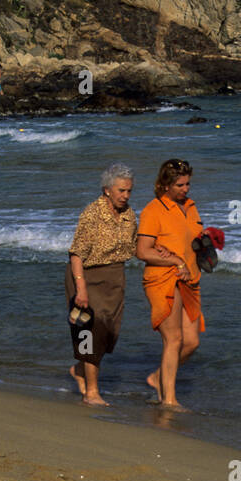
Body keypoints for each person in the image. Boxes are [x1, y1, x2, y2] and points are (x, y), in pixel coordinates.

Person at [65, 164, 138, 405]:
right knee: (89, 333)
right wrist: (81, 288)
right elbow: (76, 254)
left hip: (114, 279)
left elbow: (134, 246)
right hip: (86, 275)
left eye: (129, 191)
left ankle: (79, 370)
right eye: (121, 191)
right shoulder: (92, 214)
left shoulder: (129, 214)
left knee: (108, 334)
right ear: (107, 190)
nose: (126, 196)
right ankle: (92, 393)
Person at [137, 158, 206, 409]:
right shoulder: (153, 210)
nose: (186, 189)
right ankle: (169, 400)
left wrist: (208, 244)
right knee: (174, 339)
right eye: (180, 185)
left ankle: (157, 378)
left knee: (191, 342)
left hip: (190, 280)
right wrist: (176, 261)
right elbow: (142, 251)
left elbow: (192, 239)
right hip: (162, 279)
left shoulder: (191, 207)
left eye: (188, 184)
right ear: (165, 184)